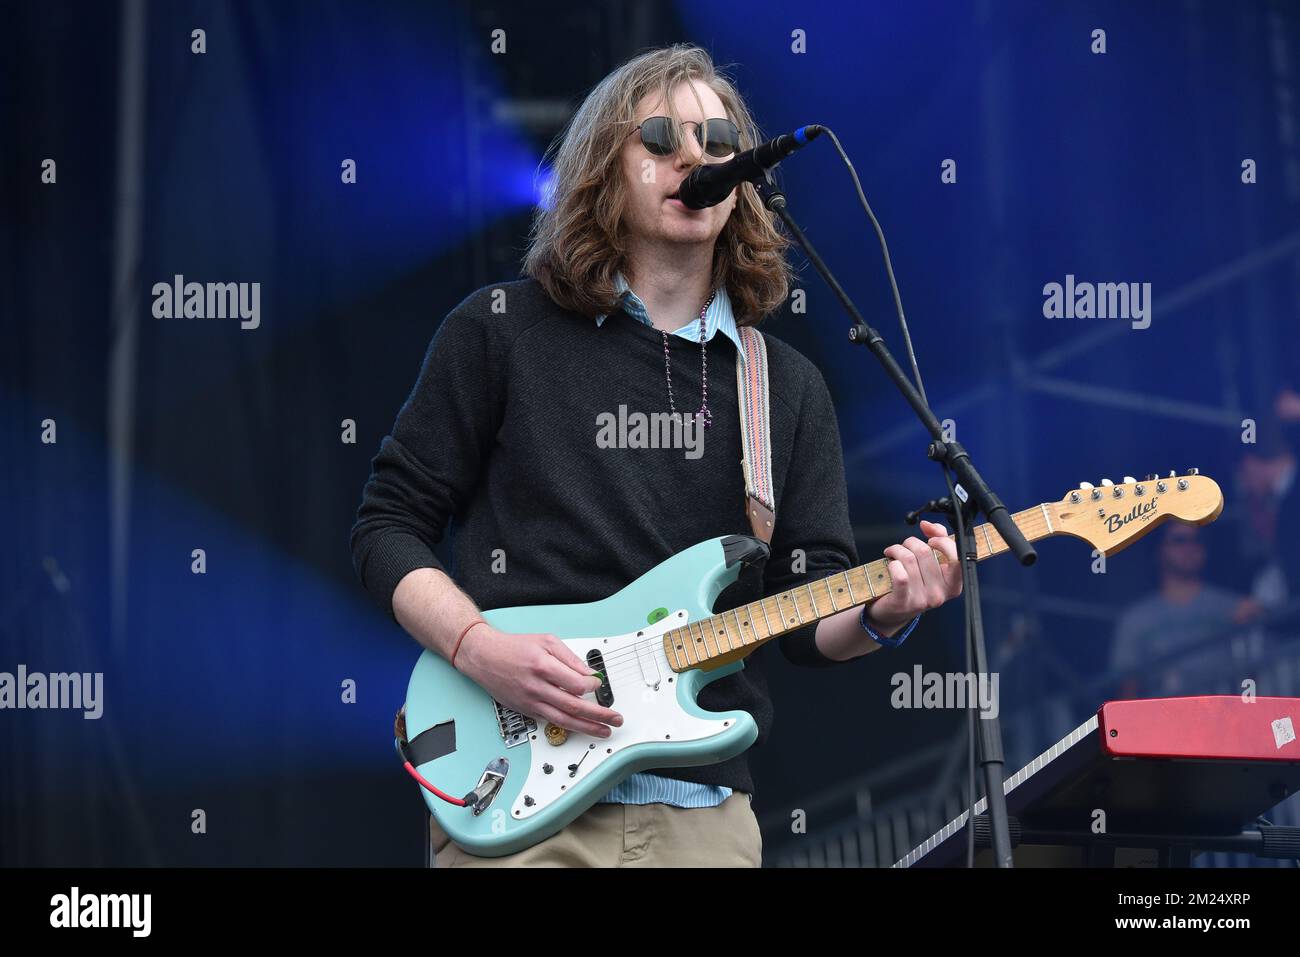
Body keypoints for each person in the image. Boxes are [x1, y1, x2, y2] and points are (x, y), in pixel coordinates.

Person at [350, 44, 963, 867]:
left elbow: (808, 617)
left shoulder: (783, 385)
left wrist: (891, 610)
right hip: (523, 805)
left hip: (702, 820)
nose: (693, 158)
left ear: (743, 177)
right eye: (660, 138)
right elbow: (387, 525)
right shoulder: (499, 331)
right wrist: (475, 646)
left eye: (715, 142)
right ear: (604, 167)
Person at [1110, 524, 1260, 698]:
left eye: (1197, 541)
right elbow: (1127, 685)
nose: (1189, 548)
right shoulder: (1135, 618)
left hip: (1222, 711)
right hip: (1163, 716)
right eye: (1179, 541)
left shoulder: (1233, 606)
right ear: (1160, 550)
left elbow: (1254, 669)